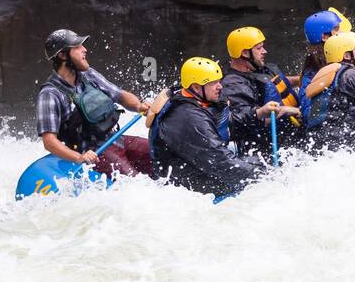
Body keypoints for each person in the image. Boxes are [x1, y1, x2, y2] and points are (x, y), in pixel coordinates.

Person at [36, 29, 152, 176]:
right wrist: (79, 157)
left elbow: (120, 96)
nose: (85, 49)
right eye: (77, 47)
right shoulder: (50, 94)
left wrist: (138, 106)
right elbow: (49, 142)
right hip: (94, 153)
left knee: (161, 153)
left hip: (116, 138)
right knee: (134, 181)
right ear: (62, 55)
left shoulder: (88, 74)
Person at [148, 57, 262, 197]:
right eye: (214, 83)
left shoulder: (197, 99)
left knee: (257, 161)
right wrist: (262, 180)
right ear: (196, 87)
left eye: (219, 81)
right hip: (182, 185)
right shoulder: (188, 118)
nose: (220, 86)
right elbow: (219, 161)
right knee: (256, 176)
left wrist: (257, 114)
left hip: (197, 167)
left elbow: (225, 122)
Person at [219, 26, 301, 158]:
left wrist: (299, 80)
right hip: (264, 150)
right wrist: (285, 110)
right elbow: (246, 122)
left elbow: (272, 82)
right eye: (258, 48)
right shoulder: (233, 85)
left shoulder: (255, 68)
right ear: (245, 53)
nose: (264, 51)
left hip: (287, 136)